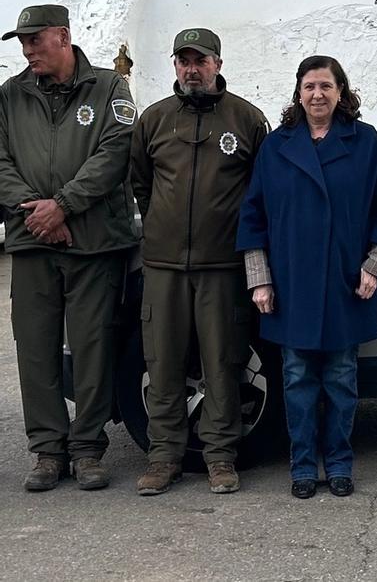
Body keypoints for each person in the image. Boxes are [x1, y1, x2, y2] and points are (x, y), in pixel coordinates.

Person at [237, 55, 377, 499]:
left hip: (346, 281)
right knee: (296, 379)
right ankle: (303, 468)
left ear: (341, 92)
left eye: (326, 86)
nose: (317, 95)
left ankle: (341, 464)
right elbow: (253, 216)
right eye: (310, 86)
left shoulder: (364, 142)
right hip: (291, 285)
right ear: (298, 93)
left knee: (342, 379)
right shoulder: (276, 147)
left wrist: (375, 266)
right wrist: (260, 278)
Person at [0, 4, 138, 491]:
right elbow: (0, 161)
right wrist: (35, 214)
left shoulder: (109, 88)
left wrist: (63, 206)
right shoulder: (9, 95)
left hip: (94, 243)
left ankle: (86, 448)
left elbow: (115, 152)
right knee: (35, 351)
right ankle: (47, 451)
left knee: (92, 348)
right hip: (33, 241)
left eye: (36, 39)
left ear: (63, 36)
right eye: (23, 41)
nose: (27, 49)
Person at [129, 28, 270, 496]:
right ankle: (163, 457)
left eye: (200, 60)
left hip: (221, 267)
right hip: (164, 267)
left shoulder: (247, 120)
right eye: (183, 60)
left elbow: (259, 193)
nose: (191, 68)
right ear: (174, 66)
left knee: (223, 363)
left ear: (218, 64)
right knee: (164, 363)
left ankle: (220, 457)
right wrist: (162, 230)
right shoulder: (154, 120)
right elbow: (142, 186)